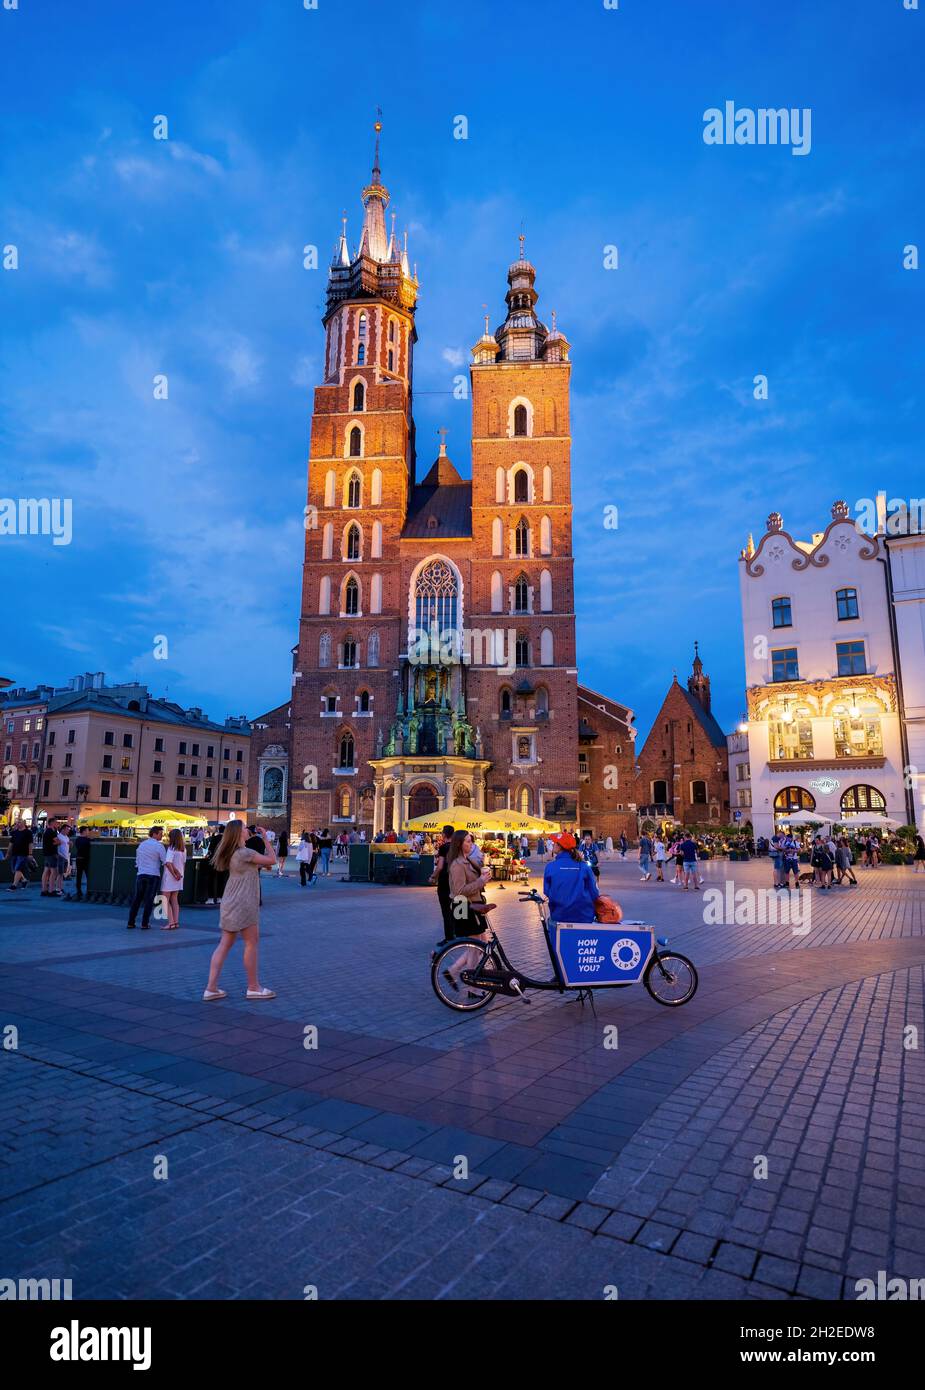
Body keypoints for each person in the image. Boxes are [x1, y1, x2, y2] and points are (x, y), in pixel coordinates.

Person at [203, 820, 277, 1001]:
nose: (247, 829)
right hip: (244, 904)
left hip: (230, 903)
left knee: (224, 945)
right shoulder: (246, 853)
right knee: (251, 943)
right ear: (238, 833)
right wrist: (266, 838)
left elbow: (259, 865)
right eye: (244, 827)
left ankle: (211, 988)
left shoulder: (234, 854)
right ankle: (253, 987)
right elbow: (272, 860)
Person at [439, 830, 495, 994]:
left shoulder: (468, 860)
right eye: (468, 842)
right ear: (459, 844)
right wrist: (480, 881)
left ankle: (453, 971)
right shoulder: (457, 864)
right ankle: (473, 987)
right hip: (464, 906)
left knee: (480, 946)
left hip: (473, 905)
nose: (471, 844)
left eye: (471, 841)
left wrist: (483, 879)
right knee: (474, 947)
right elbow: (458, 891)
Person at [543, 831, 601, 923]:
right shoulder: (584, 866)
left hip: (559, 915)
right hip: (584, 916)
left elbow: (546, 891)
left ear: (560, 846)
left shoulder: (550, 867)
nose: (553, 844)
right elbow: (594, 892)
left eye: (555, 843)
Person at [127, 826, 167, 929]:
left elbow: (137, 861)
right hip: (153, 875)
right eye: (160, 833)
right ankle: (145, 923)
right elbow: (165, 861)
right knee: (149, 900)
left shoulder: (142, 845)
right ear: (154, 834)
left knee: (137, 899)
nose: (162, 835)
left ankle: (131, 922)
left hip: (141, 874)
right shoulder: (159, 846)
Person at [429, 823, 457, 943]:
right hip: (458, 880)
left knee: (446, 909)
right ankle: (461, 932)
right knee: (459, 908)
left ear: (444, 835)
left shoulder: (444, 847)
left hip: (445, 881)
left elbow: (440, 866)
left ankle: (449, 937)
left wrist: (432, 877)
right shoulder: (459, 847)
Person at [159, 828, 186, 928]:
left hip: (170, 877)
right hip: (180, 877)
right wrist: (180, 875)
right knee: (174, 899)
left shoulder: (171, 848)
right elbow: (183, 864)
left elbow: (168, 863)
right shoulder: (184, 849)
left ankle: (170, 923)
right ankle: (176, 922)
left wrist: (174, 875)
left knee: (165, 899)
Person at [6, 818, 34, 892]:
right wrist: (8, 853)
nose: (18, 824)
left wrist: (30, 853)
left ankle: (14, 885)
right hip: (14, 853)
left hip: (23, 854)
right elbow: (11, 843)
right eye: (17, 822)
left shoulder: (28, 832)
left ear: (24, 823)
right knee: (14, 869)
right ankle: (24, 880)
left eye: (20, 822)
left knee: (18, 868)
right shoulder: (14, 832)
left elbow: (30, 844)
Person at [40, 818, 60, 896]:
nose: (57, 823)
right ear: (52, 823)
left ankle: (44, 890)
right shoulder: (52, 832)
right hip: (51, 853)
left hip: (46, 853)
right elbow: (57, 841)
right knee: (53, 872)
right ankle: (51, 890)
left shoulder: (46, 831)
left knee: (46, 871)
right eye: (56, 822)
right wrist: (58, 842)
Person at [74, 825, 93, 899]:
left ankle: (79, 891)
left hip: (79, 858)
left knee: (79, 876)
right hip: (85, 859)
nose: (88, 832)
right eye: (88, 830)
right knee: (89, 876)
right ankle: (89, 890)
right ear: (84, 831)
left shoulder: (77, 839)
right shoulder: (88, 840)